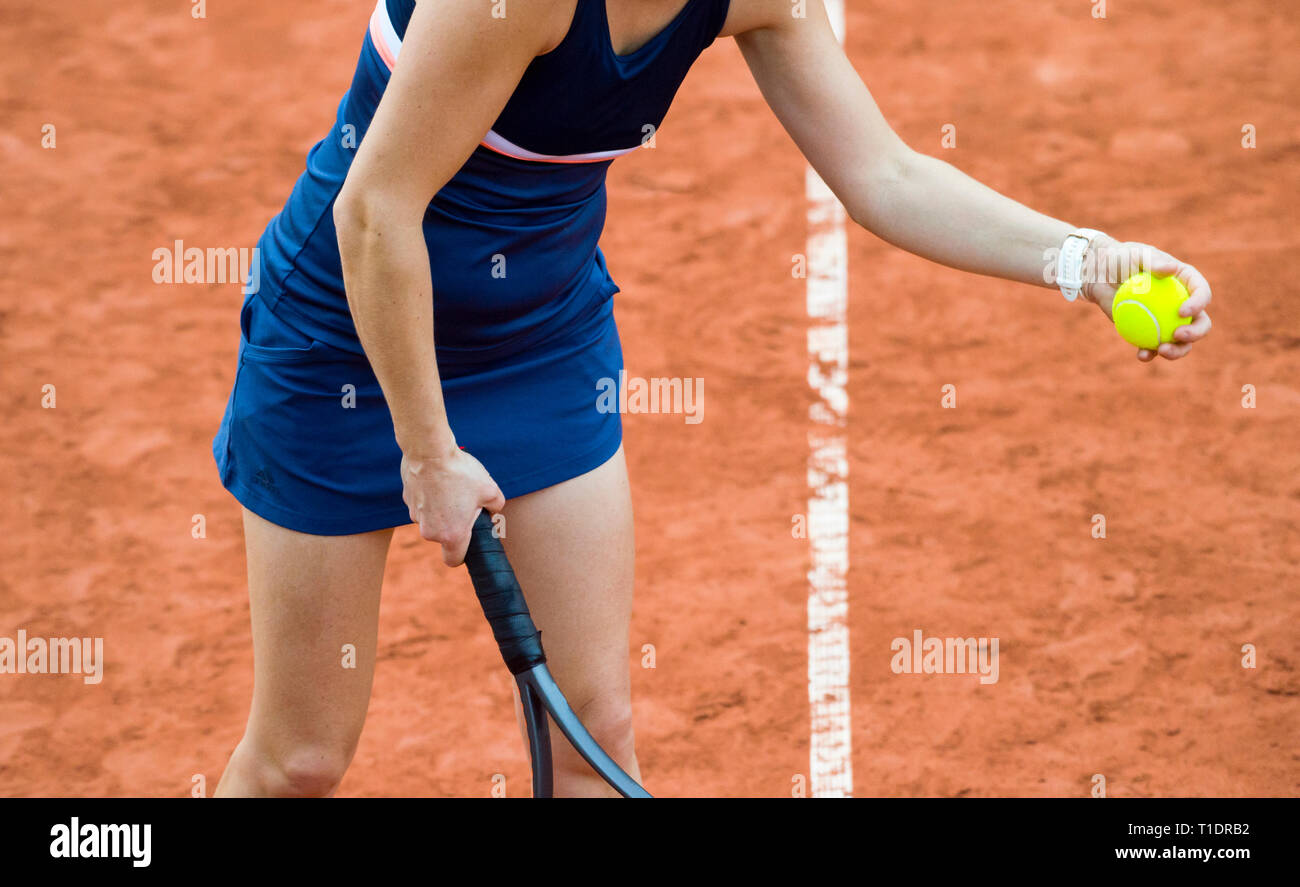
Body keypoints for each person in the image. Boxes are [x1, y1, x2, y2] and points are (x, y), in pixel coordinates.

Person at [212, 0, 1213, 797]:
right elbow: (376, 210)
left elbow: (886, 175)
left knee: (592, 731)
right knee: (300, 761)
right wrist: (425, 449)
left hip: (538, 344)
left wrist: (1088, 261)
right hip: (344, 346)